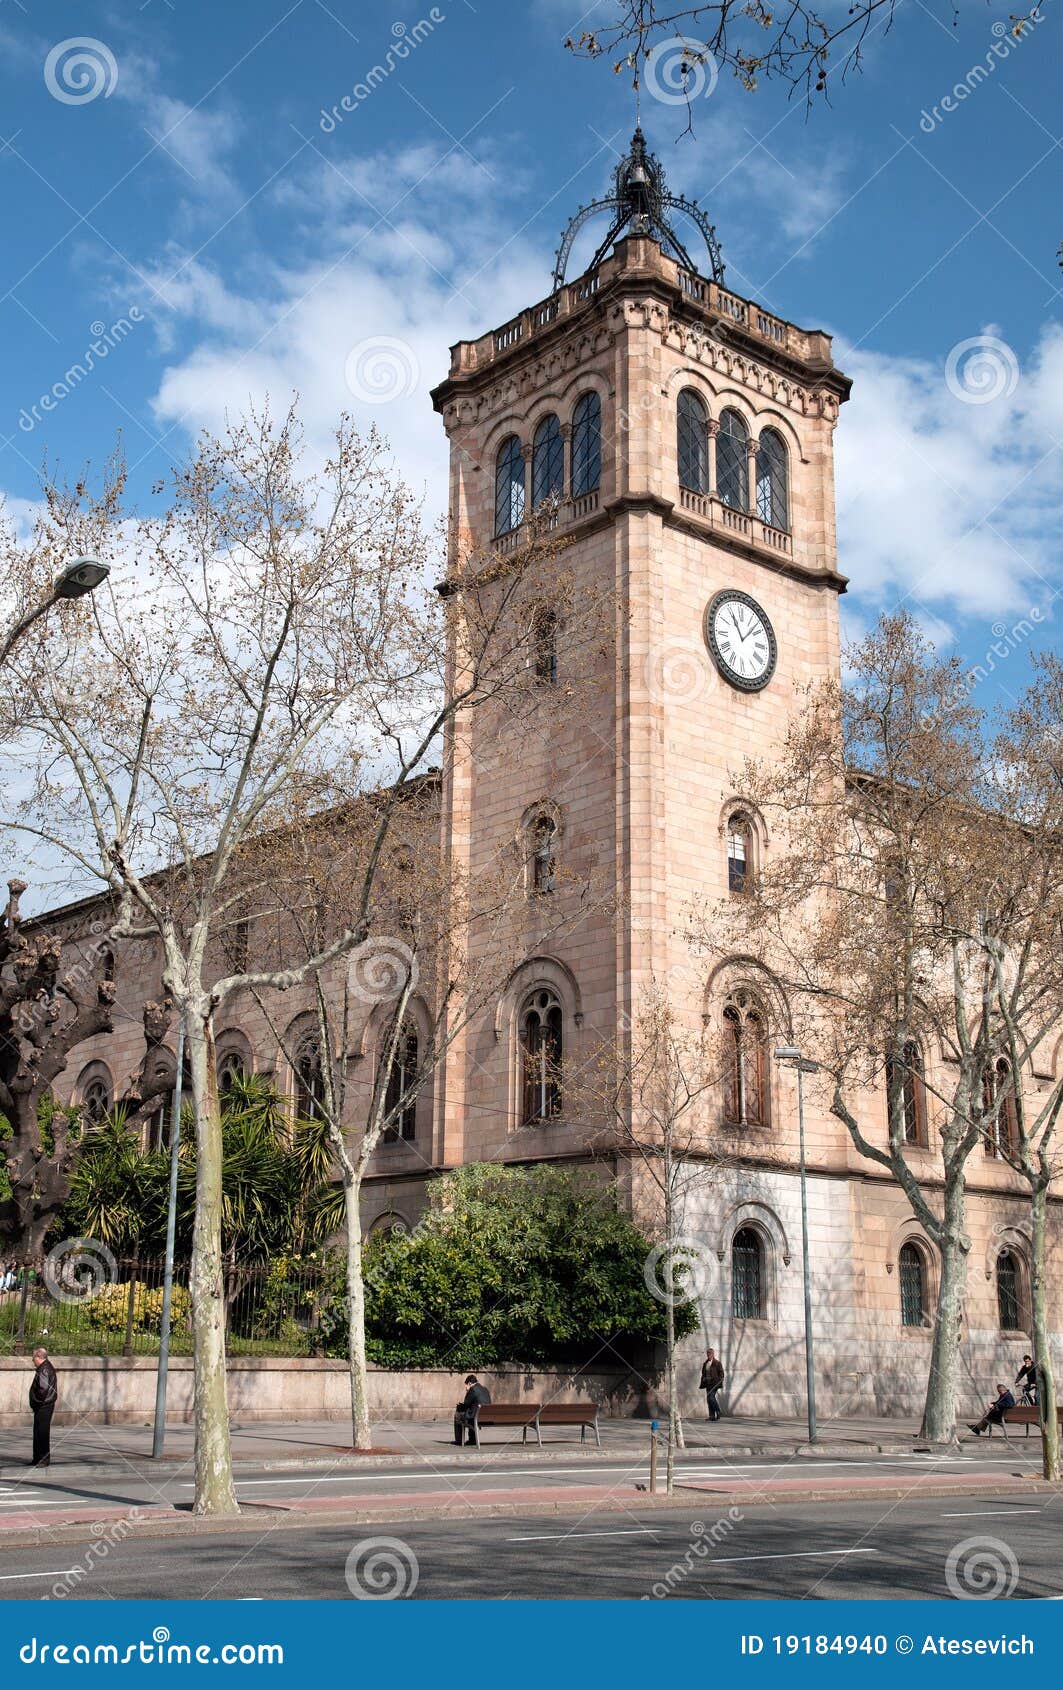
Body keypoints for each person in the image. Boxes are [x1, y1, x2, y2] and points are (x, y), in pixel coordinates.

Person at [29, 1348, 58, 1468]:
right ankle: (38, 1458)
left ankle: (43, 1459)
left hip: (43, 1406)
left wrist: (35, 1401)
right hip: (44, 1405)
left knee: (42, 1433)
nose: (32, 1360)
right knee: (39, 1432)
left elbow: (43, 1389)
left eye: (33, 1358)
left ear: (38, 1357)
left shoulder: (44, 1369)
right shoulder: (45, 1368)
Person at [453, 1374, 491, 1446]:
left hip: (475, 1418)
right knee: (472, 1412)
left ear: (469, 1383)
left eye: (467, 1385)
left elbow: (466, 1403)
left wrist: (467, 1391)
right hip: (486, 1418)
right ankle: (472, 1439)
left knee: (457, 1415)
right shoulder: (485, 1389)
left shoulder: (472, 1389)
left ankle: (459, 1441)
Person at [700, 1348, 725, 1421]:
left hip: (714, 1384)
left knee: (711, 1397)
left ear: (713, 1354)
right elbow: (703, 1373)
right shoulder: (705, 1363)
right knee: (709, 1399)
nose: (708, 1355)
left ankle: (718, 1411)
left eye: (710, 1353)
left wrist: (719, 1381)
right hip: (708, 1383)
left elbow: (721, 1374)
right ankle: (712, 1416)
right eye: (708, 1353)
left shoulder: (717, 1363)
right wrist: (704, 1378)